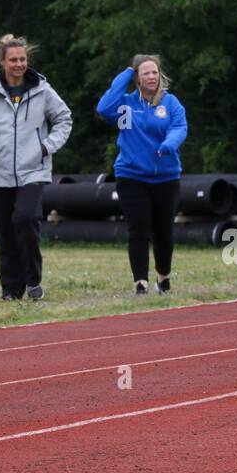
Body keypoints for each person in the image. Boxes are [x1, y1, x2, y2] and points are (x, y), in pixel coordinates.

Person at [0, 34, 73, 300]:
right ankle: (10, 289)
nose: (19, 64)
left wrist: (47, 146)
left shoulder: (43, 91)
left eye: (22, 59)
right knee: (5, 232)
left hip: (34, 169)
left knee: (25, 218)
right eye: (13, 60)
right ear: (2, 62)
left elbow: (64, 119)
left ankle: (33, 280)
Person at [97, 54, 188, 294]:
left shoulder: (171, 103)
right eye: (145, 72)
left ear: (160, 76)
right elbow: (103, 107)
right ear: (137, 78)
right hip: (131, 176)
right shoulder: (125, 105)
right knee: (138, 229)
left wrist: (169, 144)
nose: (151, 76)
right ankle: (141, 283)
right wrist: (127, 72)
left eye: (154, 72)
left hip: (166, 177)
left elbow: (180, 128)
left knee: (163, 232)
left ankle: (163, 277)